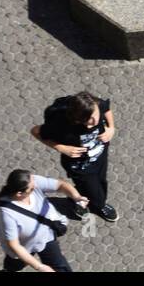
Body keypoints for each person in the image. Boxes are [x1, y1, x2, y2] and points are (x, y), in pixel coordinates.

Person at [31, 91, 119, 222]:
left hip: (99, 156)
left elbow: (106, 109)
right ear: (76, 119)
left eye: (95, 116)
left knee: (101, 182)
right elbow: (36, 131)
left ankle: (80, 198)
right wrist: (61, 148)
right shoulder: (61, 124)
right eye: (87, 120)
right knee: (96, 195)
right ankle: (95, 205)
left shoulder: (96, 105)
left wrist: (111, 128)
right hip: (80, 166)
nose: (93, 123)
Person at [0, 169, 88, 272]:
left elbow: (60, 185)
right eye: (31, 188)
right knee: (14, 265)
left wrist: (77, 197)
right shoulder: (6, 214)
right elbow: (15, 245)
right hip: (25, 247)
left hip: (46, 238)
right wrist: (40, 267)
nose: (35, 186)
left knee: (61, 267)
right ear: (19, 194)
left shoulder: (31, 181)